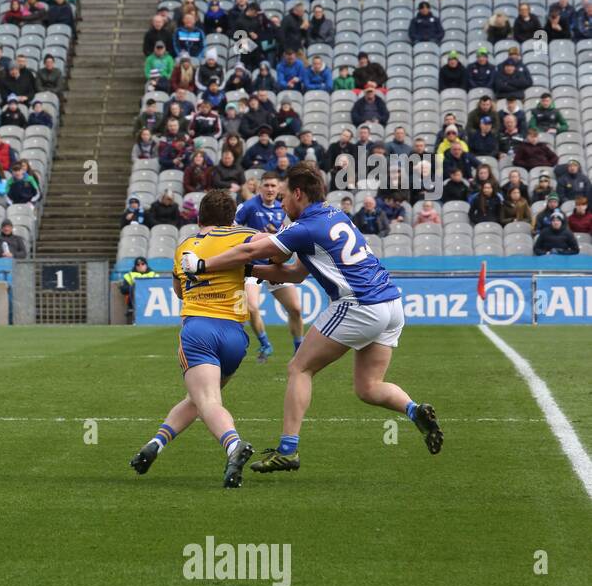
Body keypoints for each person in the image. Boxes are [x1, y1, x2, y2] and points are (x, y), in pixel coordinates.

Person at [182, 162, 443, 474]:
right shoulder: (335, 215)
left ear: (297, 194)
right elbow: (295, 273)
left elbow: (250, 252)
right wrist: (249, 271)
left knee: (298, 368)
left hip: (358, 303)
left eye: (283, 198)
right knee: (369, 387)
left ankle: (288, 450)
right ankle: (414, 411)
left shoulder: (303, 227)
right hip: (391, 304)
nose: (280, 204)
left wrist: (203, 265)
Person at [129, 190, 257, 488]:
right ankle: (155, 444)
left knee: (208, 400)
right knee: (198, 399)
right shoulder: (245, 236)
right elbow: (278, 249)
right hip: (236, 335)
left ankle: (234, 445)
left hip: (199, 329)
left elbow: (179, 290)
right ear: (231, 217)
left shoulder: (185, 245)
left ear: (199, 216)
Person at [235, 174, 307, 359]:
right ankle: (265, 344)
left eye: (273, 186)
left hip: (275, 266)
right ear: (260, 188)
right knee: (251, 307)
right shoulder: (249, 206)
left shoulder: (284, 207)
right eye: (266, 185)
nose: (270, 189)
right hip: (252, 268)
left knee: (296, 309)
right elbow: (232, 228)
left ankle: (299, 349)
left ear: (278, 188)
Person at [119, 256, 160, 320]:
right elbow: (123, 289)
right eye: (138, 264)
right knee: (133, 287)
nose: (140, 266)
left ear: (146, 265)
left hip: (151, 299)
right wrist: (135, 287)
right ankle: (131, 310)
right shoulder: (129, 275)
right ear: (135, 266)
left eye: (142, 264)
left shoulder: (154, 275)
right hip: (136, 300)